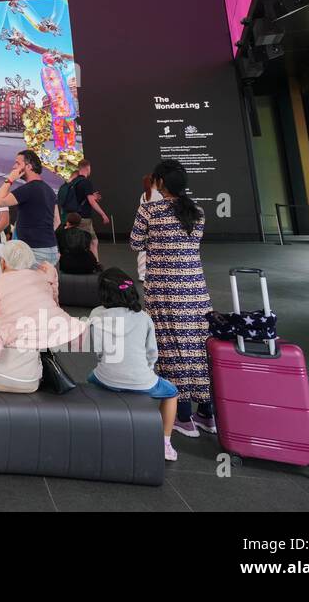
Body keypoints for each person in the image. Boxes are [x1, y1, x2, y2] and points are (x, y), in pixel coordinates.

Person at [130, 159, 215, 437]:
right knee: (199, 346)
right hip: (195, 288)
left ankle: (183, 415)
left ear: (160, 183)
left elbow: (135, 243)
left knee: (169, 347)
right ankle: (208, 414)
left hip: (164, 289)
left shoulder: (150, 210)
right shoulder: (197, 211)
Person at [0, 240, 84, 393]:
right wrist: (52, 281)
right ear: (29, 262)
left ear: (3, 262)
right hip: (29, 381)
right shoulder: (42, 281)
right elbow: (54, 310)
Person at [86, 267, 180, 462]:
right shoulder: (144, 317)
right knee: (172, 393)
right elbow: (152, 353)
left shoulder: (96, 314)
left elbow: (99, 351)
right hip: (142, 381)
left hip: (106, 377)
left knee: (90, 378)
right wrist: (145, 370)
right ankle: (165, 443)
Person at [0, 149, 60, 266]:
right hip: (51, 249)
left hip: (34, 251)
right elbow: (57, 221)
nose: (14, 167)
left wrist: (10, 179)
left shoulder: (28, 189)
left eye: (18, 163)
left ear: (28, 166)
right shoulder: (49, 190)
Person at [67, 159, 109, 259]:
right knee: (93, 241)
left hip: (73, 216)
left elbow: (79, 198)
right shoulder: (86, 183)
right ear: (87, 168)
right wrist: (103, 214)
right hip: (84, 218)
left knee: (76, 241)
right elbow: (91, 201)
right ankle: (95, 263)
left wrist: (91, 196)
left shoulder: (74, 182)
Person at [134, 175, 160, 281]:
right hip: (157, 227)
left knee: (143, 251)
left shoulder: (144, 195)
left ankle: (142, 274)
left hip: (146, 226)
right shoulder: (159, 195)